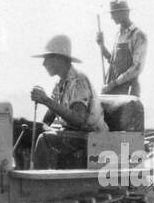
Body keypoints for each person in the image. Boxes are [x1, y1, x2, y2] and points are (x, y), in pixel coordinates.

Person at [29, 34, 107, 169]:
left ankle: (39, 186)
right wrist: (37, 127)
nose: (43, 64)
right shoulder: (60, 84)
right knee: (29, 131)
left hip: (91, 137)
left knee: (45, 140)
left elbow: (78, 119)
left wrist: (46, 100)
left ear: (58, 59)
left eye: (46, 59)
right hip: (75, 134)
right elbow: (49, 117)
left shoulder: (78, 81)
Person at [96, 0, 147, 97]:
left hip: (127, 92)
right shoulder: (118, 34)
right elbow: (113, 61)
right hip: (114, 91)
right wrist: (101, 45)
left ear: (124, 13)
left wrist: (113, 84)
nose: (111, 17)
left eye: (113, 13)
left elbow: (137, 68)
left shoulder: (138, 35)